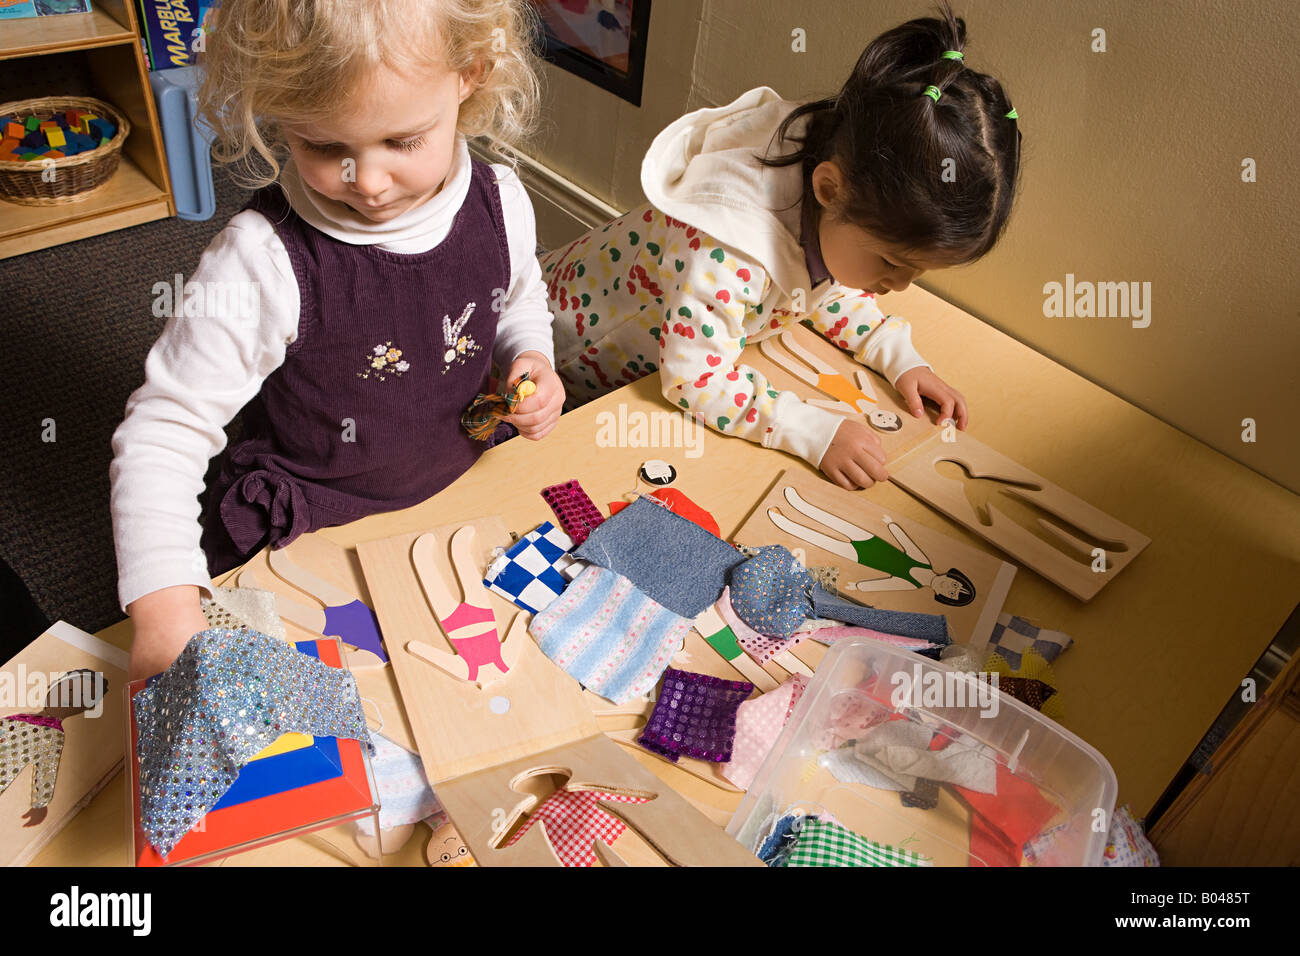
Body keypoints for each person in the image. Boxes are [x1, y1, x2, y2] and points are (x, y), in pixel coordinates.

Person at [111, 0, 562, 681]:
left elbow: (516, 292)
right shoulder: (260, 260)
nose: (369, 182)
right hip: (314, 527)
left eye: (403, 141)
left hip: (463, 489)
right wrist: (165, 612)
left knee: (499, 674)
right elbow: (164, 430)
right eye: (325, 147)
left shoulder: (503, 198)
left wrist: (529, 354)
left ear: (470, 73)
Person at [543, 2, 1020, 491]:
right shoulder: (728, 250)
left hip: (631, 369)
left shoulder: (838, 181)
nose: (897, 287)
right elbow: (694, 379)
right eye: (892, 265)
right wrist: (812, 430)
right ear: (829, 190)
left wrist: (896, 355)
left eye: (915, 272)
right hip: (563, 371)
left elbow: (825, 285)